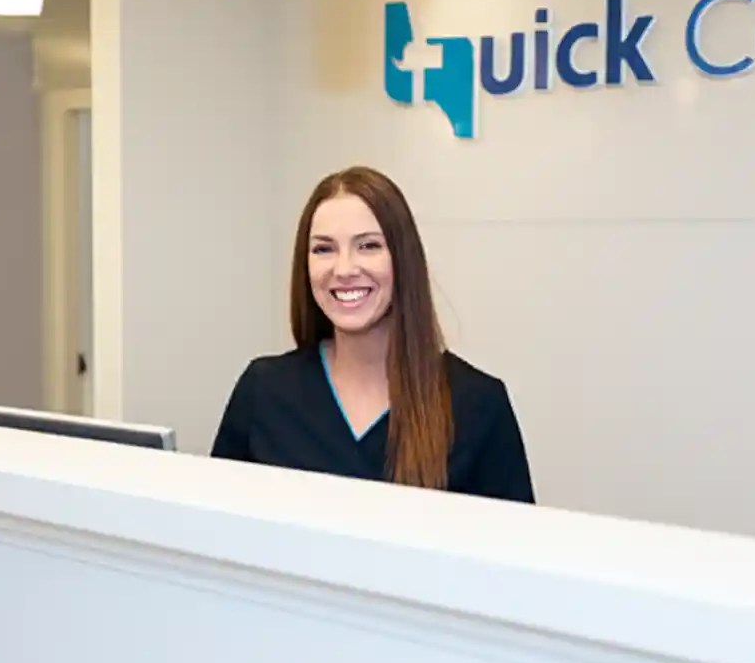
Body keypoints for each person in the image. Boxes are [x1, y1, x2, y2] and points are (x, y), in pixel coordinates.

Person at [210, 166, 534, 504]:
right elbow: (214, 527)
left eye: (368, 246)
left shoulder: (479, 405)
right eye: (324, 249)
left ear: (403, 258)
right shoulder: (262, 391)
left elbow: (513, 536)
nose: (344, 269)